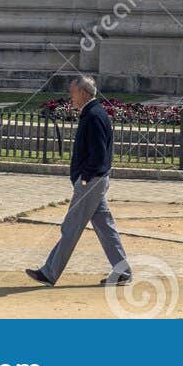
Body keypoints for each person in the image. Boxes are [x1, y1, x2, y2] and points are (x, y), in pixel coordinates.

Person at [26, 75, 132, 288]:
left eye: (72, 92)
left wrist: (84, 177)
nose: (70, 96)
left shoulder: (93, 115)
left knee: (71, 227)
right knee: (105, 226)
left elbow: (99, 153)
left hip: (91, 181)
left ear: (83, 93)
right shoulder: (94, 113)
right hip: (95, 180)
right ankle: (122, 271)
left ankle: (49, 272)